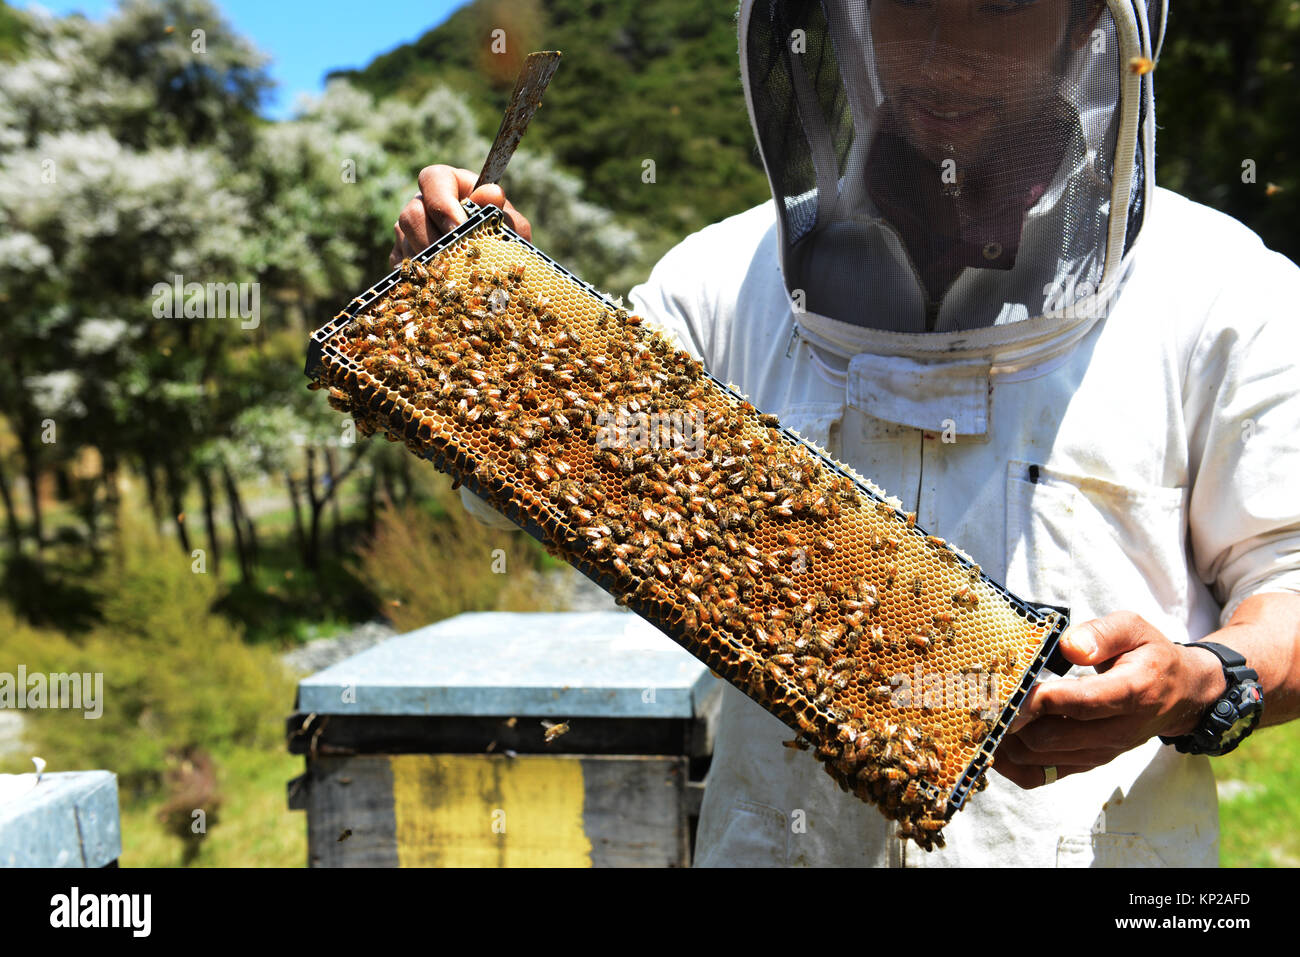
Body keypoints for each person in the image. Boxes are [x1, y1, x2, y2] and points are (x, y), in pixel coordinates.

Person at [389, 0, 1300, 866]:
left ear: (1083, 29)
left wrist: (1205, 683)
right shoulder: (714, 285)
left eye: (996, 7)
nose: (943, 50)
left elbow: (1288, 588)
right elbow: (540, 481)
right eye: (907, 3)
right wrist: (478, 311)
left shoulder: (1222, 292)